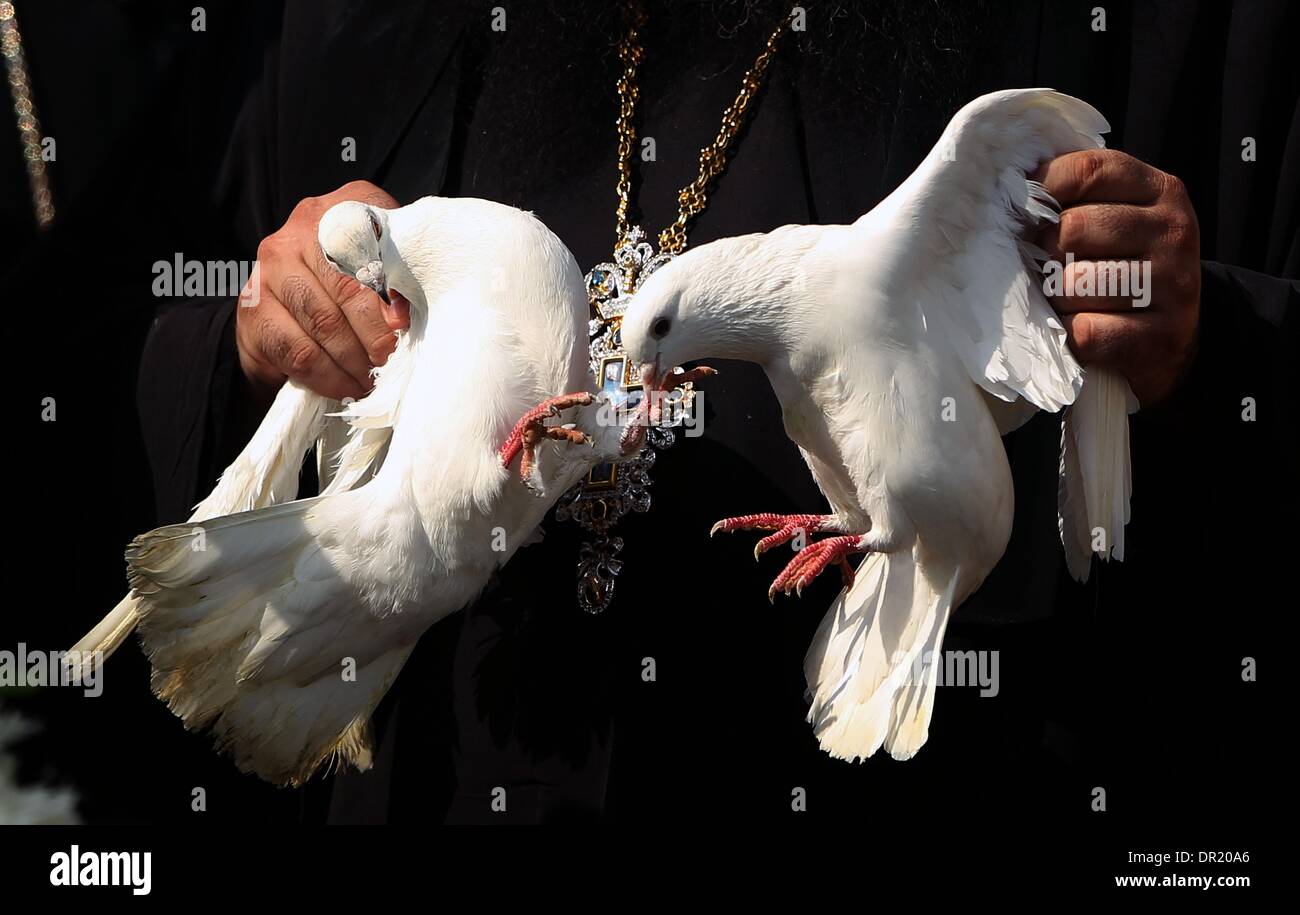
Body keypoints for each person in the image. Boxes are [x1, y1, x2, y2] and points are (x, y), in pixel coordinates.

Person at [21, 0, 1294, 824]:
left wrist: (1193, 337)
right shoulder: (359, 33)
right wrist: (265, 336)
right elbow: (87, 373)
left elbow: (1241, 343)